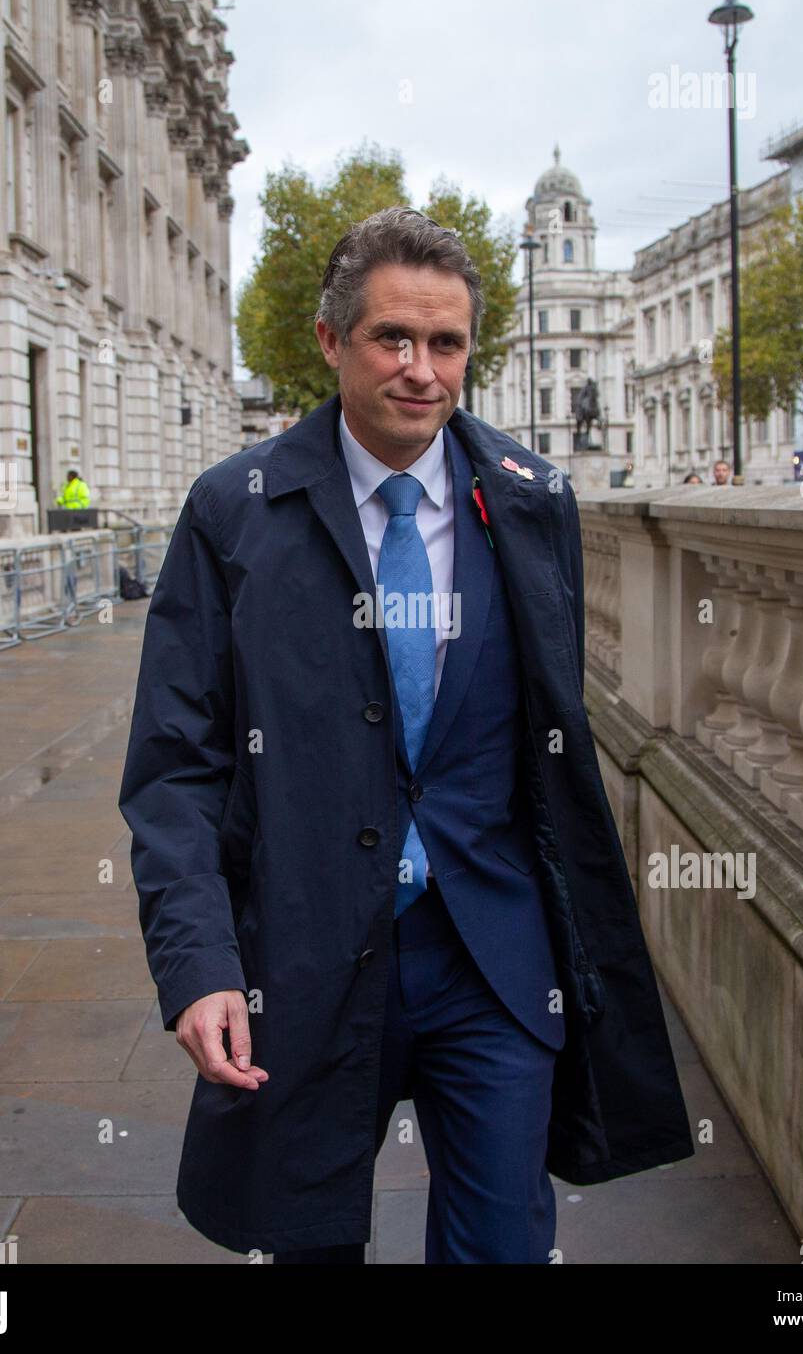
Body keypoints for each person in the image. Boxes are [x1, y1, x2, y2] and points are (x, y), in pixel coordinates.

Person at [118, 206, 693, 1265]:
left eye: (447, 343)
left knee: (501, 1247)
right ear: (332, 342)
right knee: (305, 1234)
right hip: (303, 955)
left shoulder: (533, 503)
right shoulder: (233, 512)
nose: (421, 369)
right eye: (392, 338)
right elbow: (175, 764)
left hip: (494, 957)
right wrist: (198, 961)